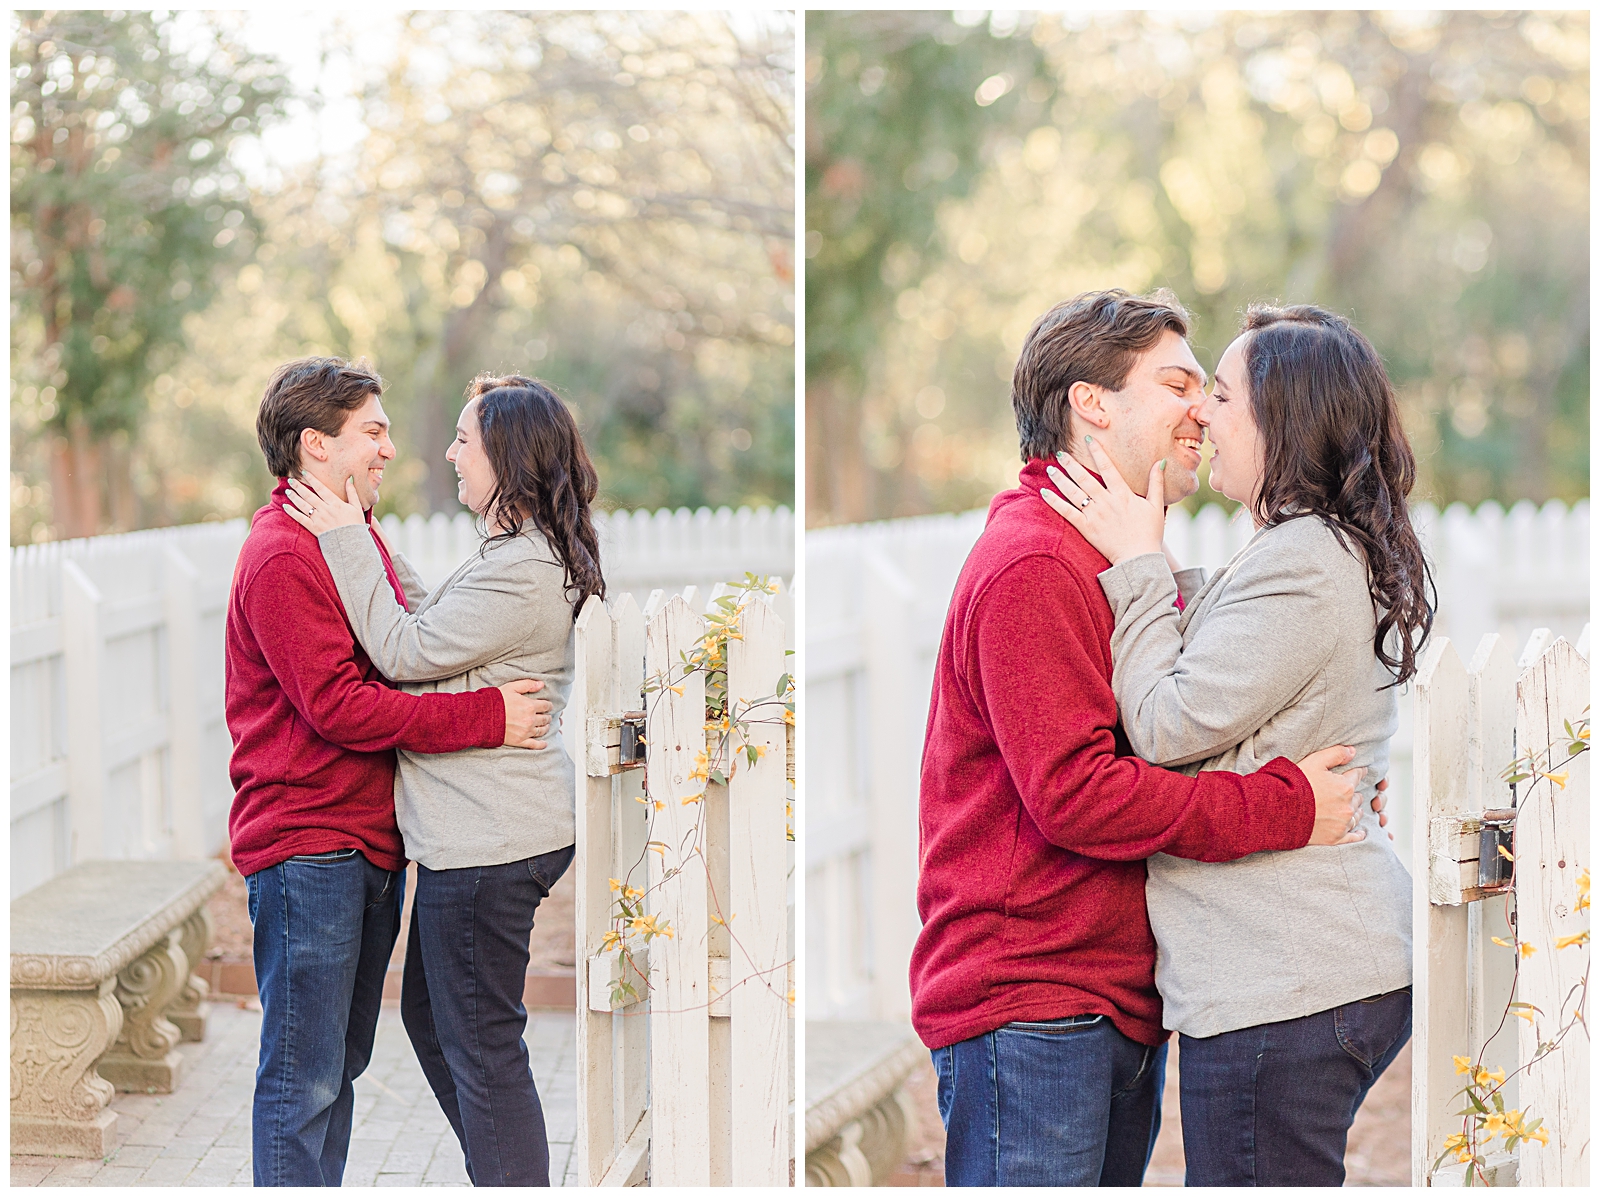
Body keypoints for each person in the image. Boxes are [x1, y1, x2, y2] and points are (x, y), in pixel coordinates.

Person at [911, 289, 1378, 1187]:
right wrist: (1286, 806)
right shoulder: (1037, 561)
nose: (1201, 408)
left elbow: (1194, 702)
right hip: (1033, 1001)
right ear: (1093, 403)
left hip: (1111, 995)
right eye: (1176, 383)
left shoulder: (1106, 554)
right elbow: (1077, 795)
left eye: (1209, 390)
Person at [1040, 303, 1429, 1186]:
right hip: (1285, 971)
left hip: (1286, 977)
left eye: (1219, 392)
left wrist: (1137, 564)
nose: (1203, 414)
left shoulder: (1305, 557)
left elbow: (1168, 724)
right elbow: (1222, 663)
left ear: (1282, 417)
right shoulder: (1296, 549)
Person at [227, 357, 555, 1187]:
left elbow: (411, 619)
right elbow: (342, 704)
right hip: (308, 850)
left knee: (337, 1069)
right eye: (371, 432)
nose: (390, 449)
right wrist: (490, 716)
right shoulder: (283, 557)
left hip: (366, 847)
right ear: (315, 444)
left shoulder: (349, 536)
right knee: (302, 1079)